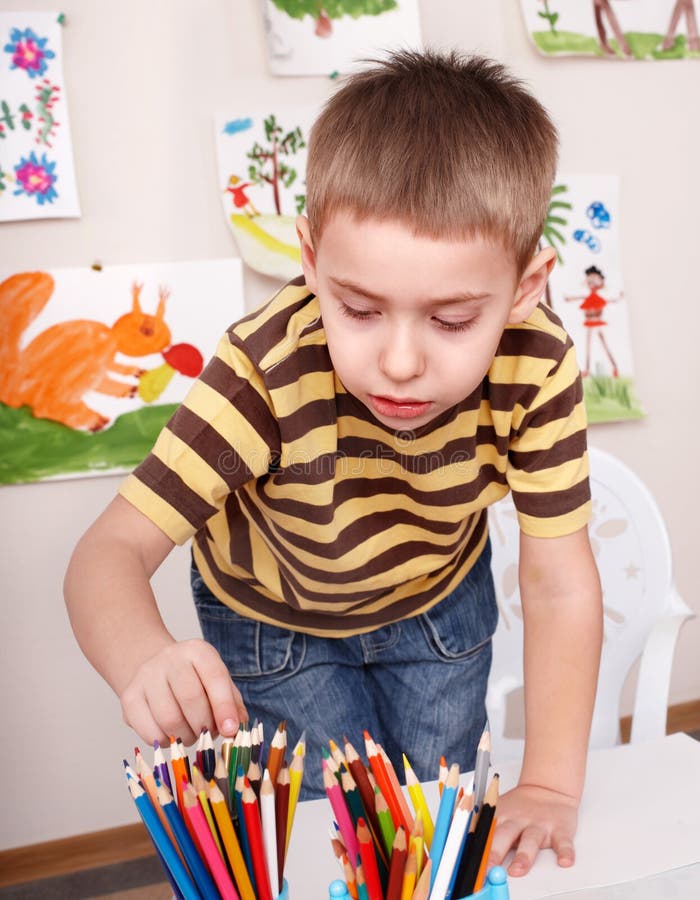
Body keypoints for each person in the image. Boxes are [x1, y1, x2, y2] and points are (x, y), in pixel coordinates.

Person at [65, 50, 603, 879]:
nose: (398, 361)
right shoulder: (263, 368)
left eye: (452, 320)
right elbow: (108, 553)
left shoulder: (539, 364)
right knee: (335, 849)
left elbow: (561, 581)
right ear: (310, 260)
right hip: (276, 624)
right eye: (357, 309)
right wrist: (141, 654)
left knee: (436, 829)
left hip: (436, 603)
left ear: (526, 288)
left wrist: (552, 786)